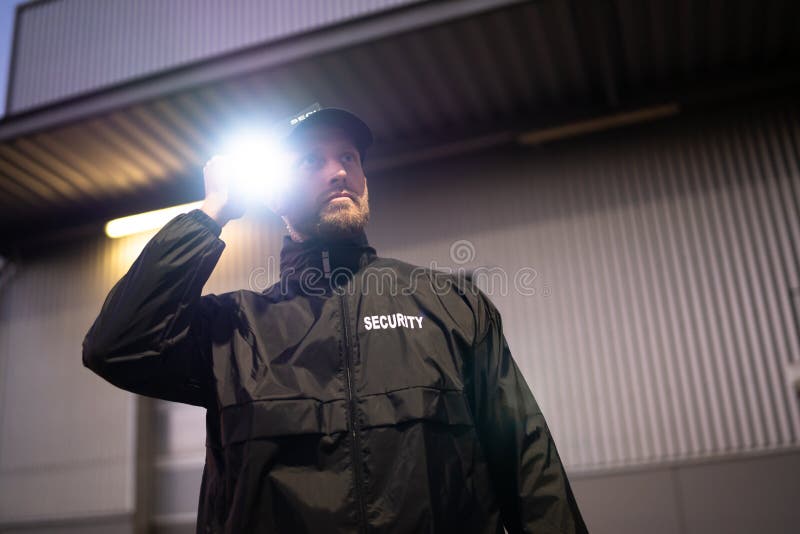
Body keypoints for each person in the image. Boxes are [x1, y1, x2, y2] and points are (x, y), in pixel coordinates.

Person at [83, 108, 587, 533]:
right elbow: (116, 345)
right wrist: (211, 214)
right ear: (275, 196)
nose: (339, 171)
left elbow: (527, 462)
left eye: (349, 157)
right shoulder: (234, 329)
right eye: (312, 161)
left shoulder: (449, 305)